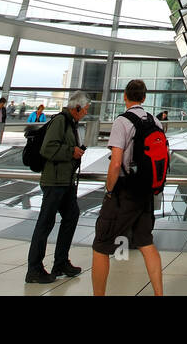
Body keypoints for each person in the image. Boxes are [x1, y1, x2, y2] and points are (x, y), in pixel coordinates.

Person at [92, 80, 165, 296]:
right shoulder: (155, 122)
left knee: (101, 245)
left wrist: (109, 190)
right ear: (144, 98)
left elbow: (116, 163)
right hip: (146, 192)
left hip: (125, 192)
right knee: (145, 242)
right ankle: (159, 294)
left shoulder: (122, 122)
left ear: (125, 96)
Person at [26, 92, 91, 284]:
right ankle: (34, 269)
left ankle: (61, 262)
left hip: (65, 181)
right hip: (54, 182)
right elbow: (47, 148)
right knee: (45, 223)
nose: (86, 113)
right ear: (77, 107)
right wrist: (72, 151)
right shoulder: (61, 122)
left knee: (72, 216)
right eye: (85, 109)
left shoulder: (71, 123)